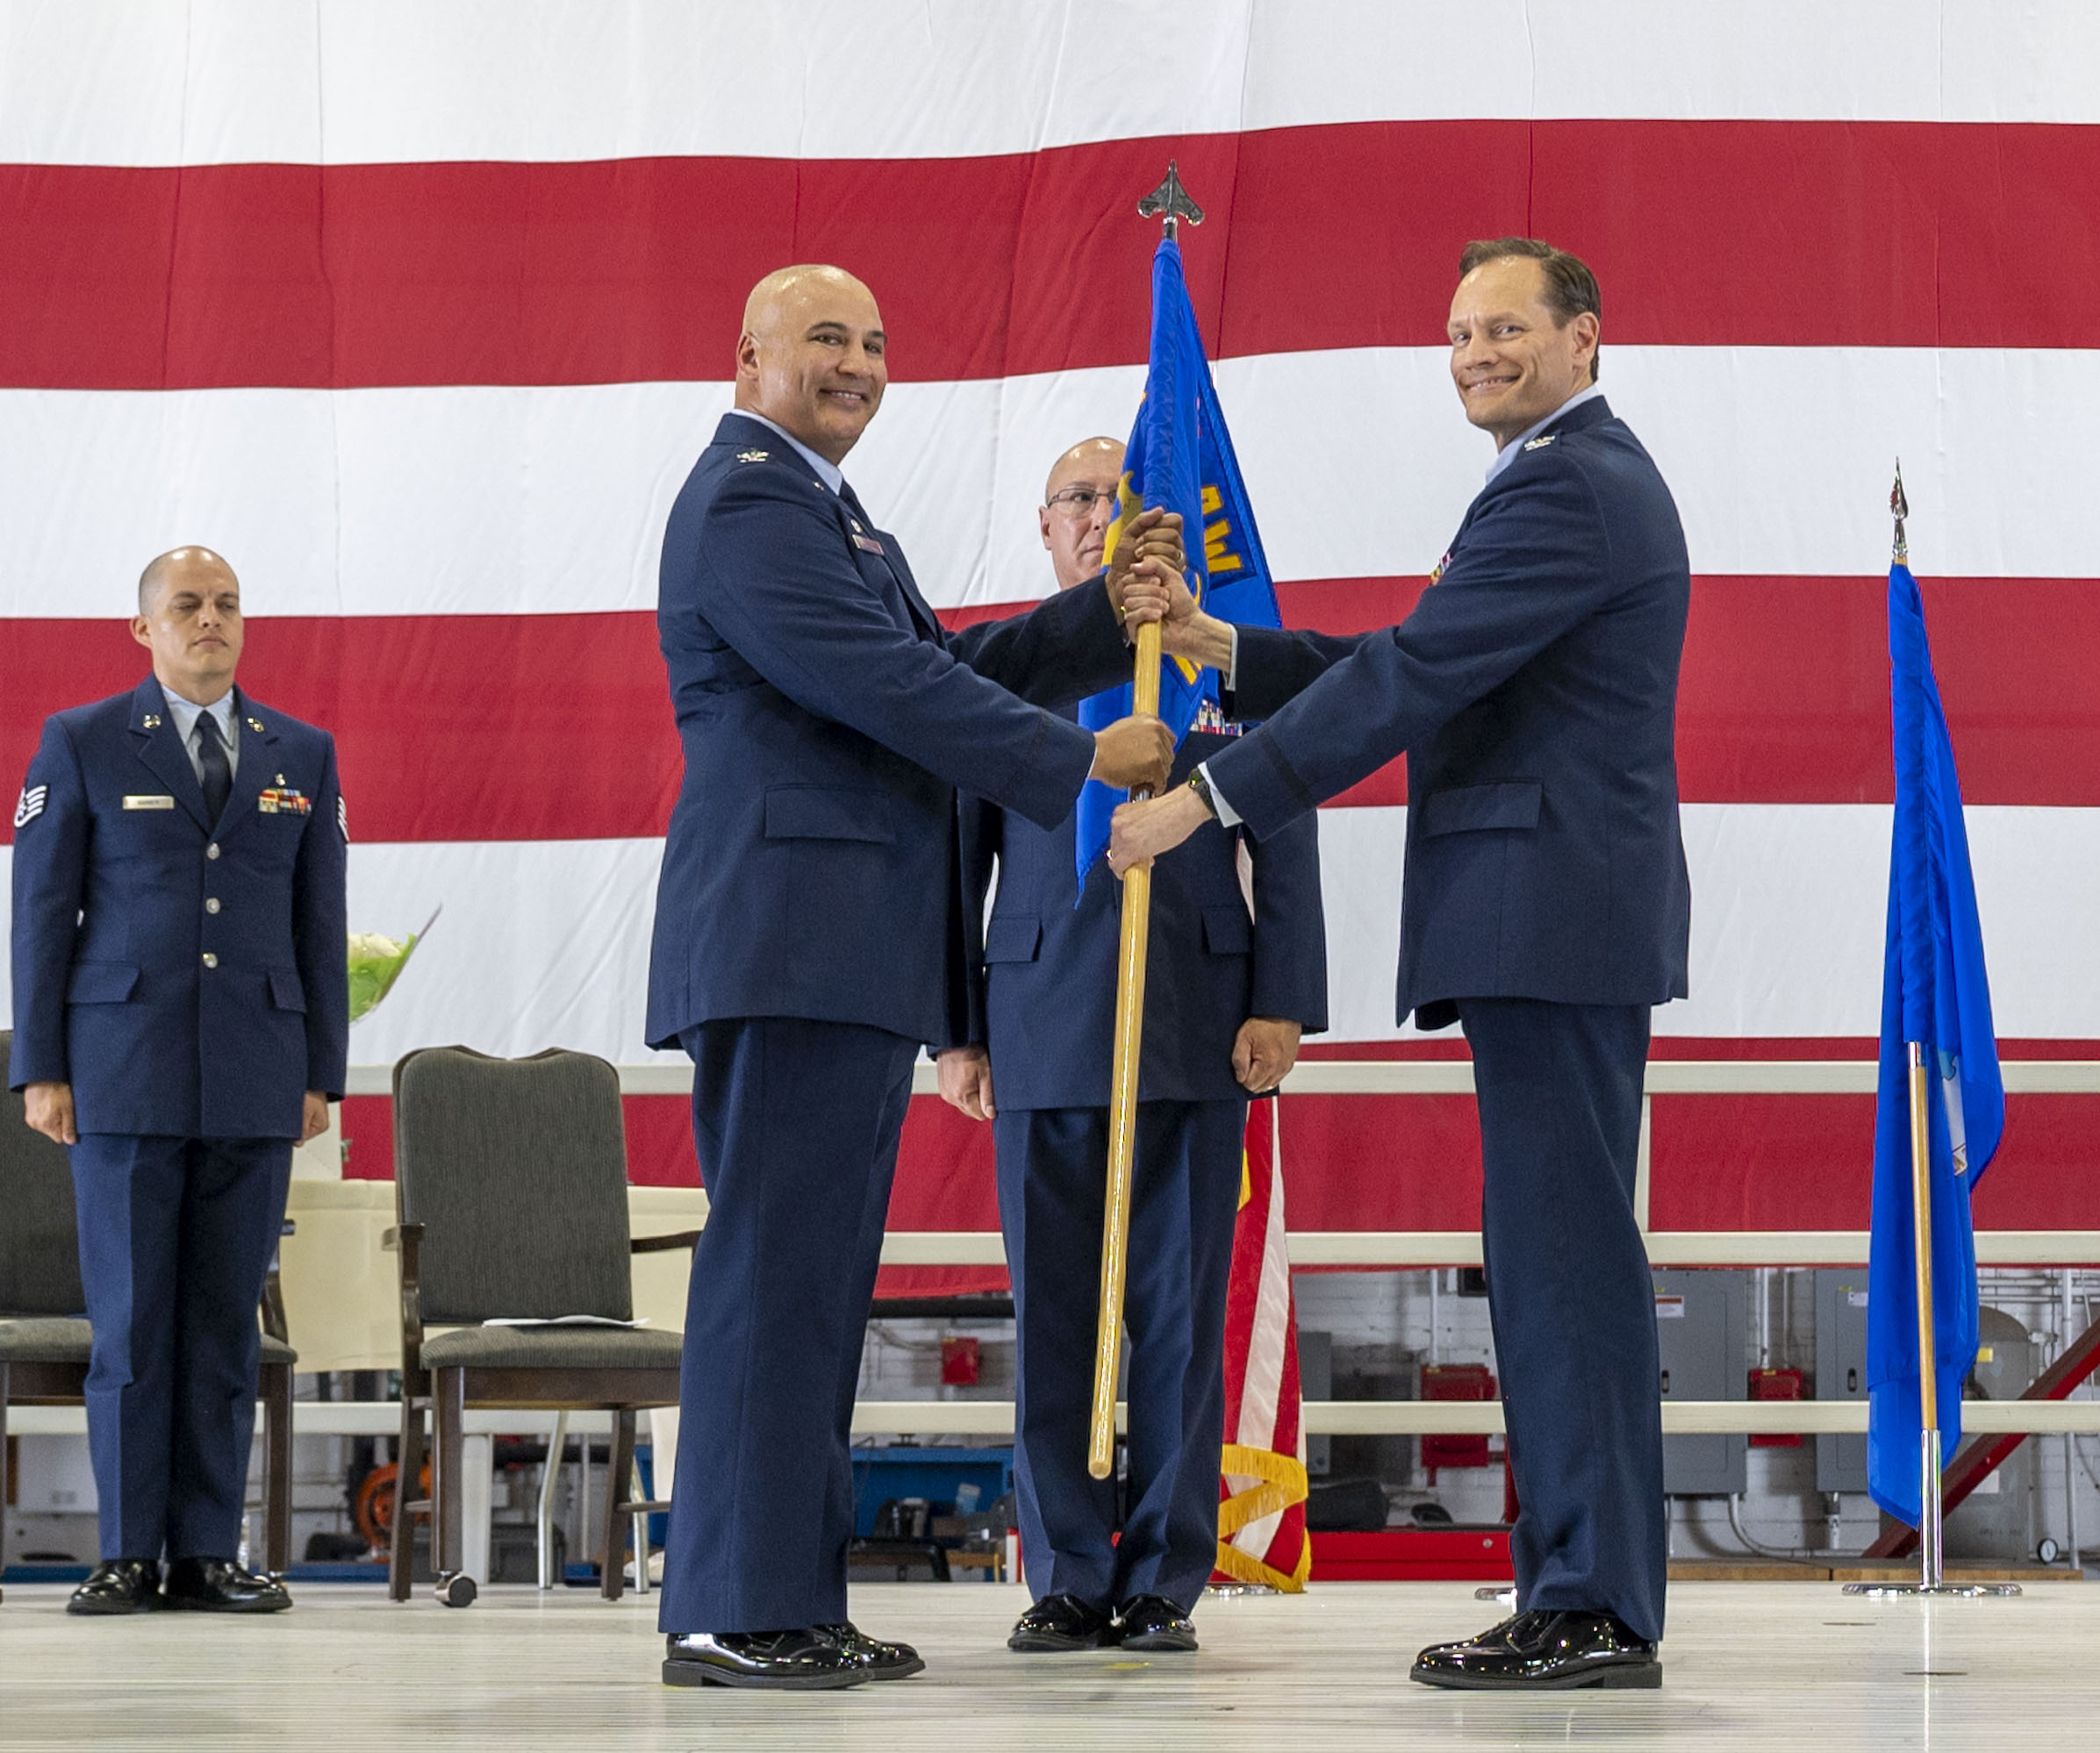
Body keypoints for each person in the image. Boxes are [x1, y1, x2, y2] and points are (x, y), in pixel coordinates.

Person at [1108, 238, 1687, 1691]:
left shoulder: (1568, 485)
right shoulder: (1553, 479)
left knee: (1562, 1268)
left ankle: (1593, 1601)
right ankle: (1577, 1587)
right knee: (1548, 1262)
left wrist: (1208, 795)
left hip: (1550, 916)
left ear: (1584, 339)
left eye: (1506, 326)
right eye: (1459, 330)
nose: (1475, 351)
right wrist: (1225, 646)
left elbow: (1414, 675)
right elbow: (1425, 656)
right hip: (1545, 919)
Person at [644, 265, 1179, 1691]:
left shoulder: (826, 511)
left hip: (836, 947)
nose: (860, 363)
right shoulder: (751, 502)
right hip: (788, 938)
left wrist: (1094, 615)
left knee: (817, 1291)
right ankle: (731, 1605)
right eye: (826, 337)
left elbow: (938, 660)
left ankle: (783, 1595)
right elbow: (887, 690)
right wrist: (1083, 752)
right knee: (776, 1279)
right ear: (747, 355)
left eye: (876, 341)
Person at [939, 437, 1327, 1657]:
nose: (1102, 516)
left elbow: (1287, 819)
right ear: (1046, 526)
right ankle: (1065, 1570)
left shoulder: (1221, 651)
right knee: (1054, 1313)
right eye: (1081, 498)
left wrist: (1283, 999)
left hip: (1197, 1016)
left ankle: (1162, 1574)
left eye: (1124, 499)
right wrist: (958, 1029)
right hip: (1040, 1014)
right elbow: (958, 853)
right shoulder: (1007, 664)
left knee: (1177, 1316)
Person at [10, 546, 345, 1618]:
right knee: (131, 1326)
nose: (211, 619)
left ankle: (205, 1551)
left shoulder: (302, 751)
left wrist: (320, 1072)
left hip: (255, 1068)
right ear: (143, 628)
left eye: (228, 604)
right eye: (189, 604)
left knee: (222, 1327)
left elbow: (319, 922)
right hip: (122, 1070)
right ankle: (124, 1553)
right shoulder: (82, 740)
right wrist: (42, 1068)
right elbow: (40, 915)